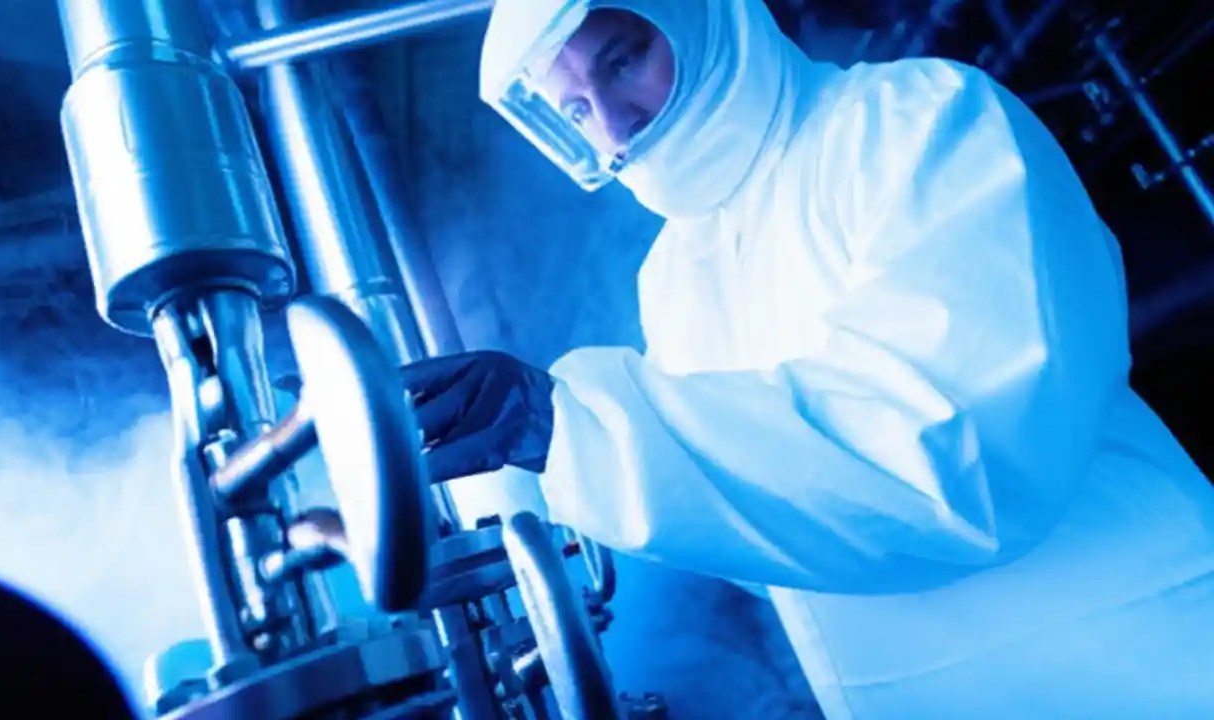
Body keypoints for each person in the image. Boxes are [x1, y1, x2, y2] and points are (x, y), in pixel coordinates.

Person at [401, 1, 1214, 717]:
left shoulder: (918, 122)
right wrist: (550, 484)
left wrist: (575, 433)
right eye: (577, 109)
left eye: (623, 58)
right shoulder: (677, 278)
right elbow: (786, 541)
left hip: (1146, 658)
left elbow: (959, 463)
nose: (616, 127)